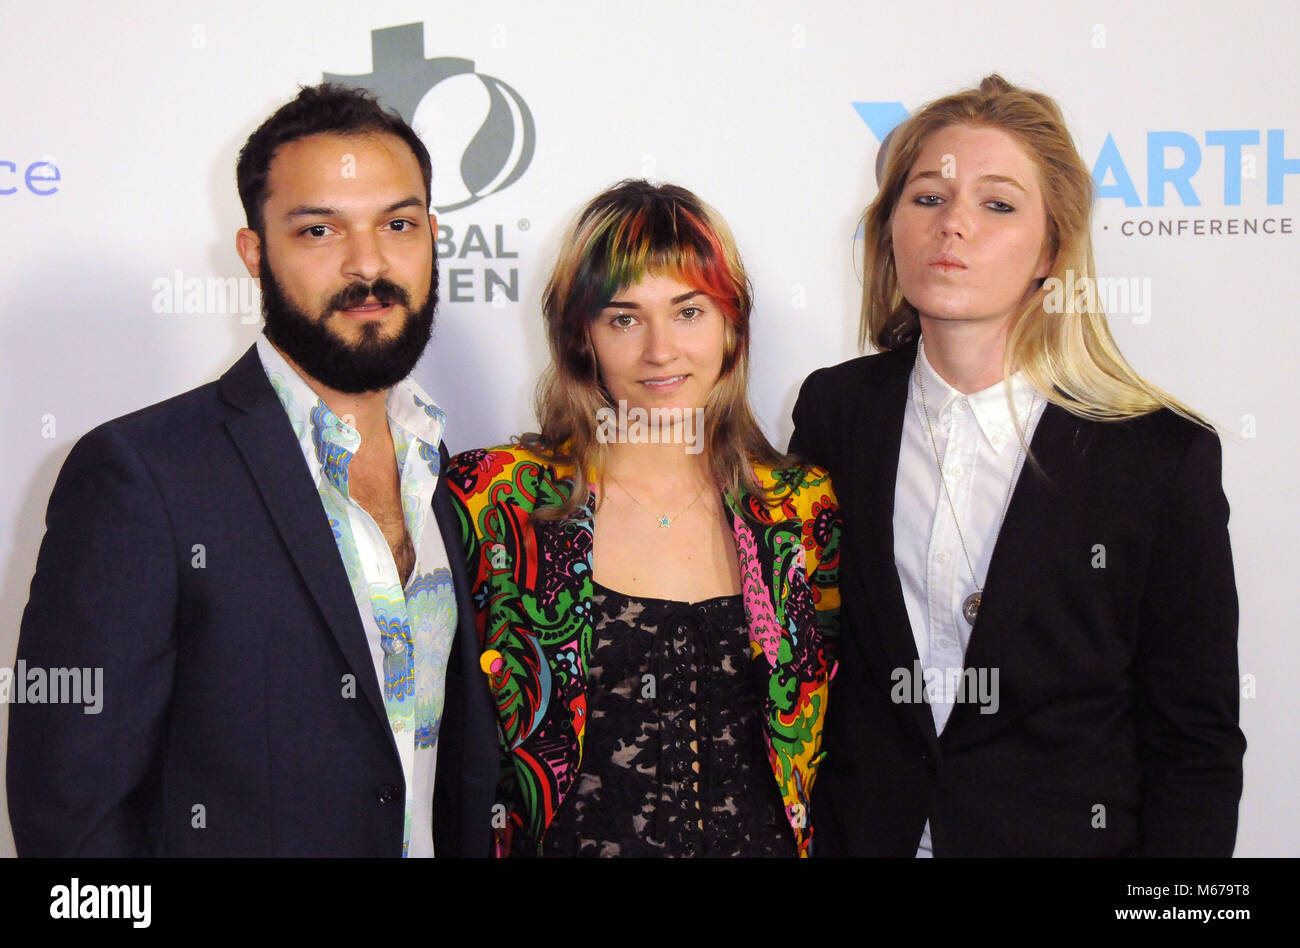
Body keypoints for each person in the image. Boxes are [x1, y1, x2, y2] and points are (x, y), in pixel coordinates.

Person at [7, 83, 497, 857]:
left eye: (397, 224)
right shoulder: (142, 475)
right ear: (253, 251)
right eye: (318, 231)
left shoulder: (440, 469)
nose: (368, 263)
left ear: (432, 237)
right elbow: (73, 816)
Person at [790, 74, 1245, 857]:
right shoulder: (836, 412)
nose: (952, 226)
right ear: (889, 227)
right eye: (927, 198)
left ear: (1053, 251)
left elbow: (1194, 744)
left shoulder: (1159, 456)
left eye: (998, 204)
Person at [446, 180, 840, 857]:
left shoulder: (798, 507)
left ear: (732, 326)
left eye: (689, 312)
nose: (661, 351)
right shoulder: (497, 499)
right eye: (624, 319)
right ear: (581, 337)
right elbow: (450, 747)